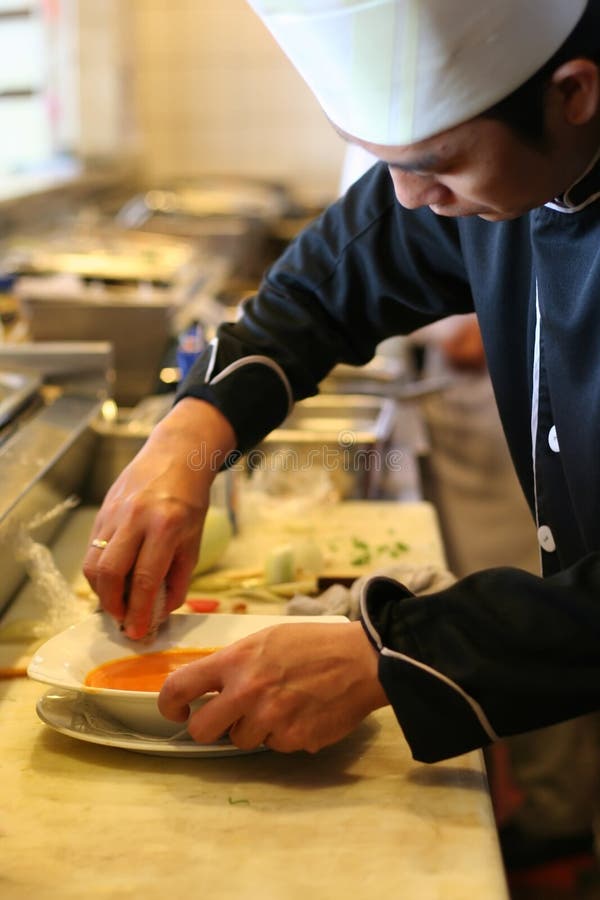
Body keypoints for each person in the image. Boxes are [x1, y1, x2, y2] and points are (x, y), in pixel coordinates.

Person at [84, 0, 600, 765]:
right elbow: (322, 288)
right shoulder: (491, 174)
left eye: (432, 165)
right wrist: (189, 436)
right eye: (381, 159)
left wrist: (386, 655)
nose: (406, 197)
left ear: (574, 94)